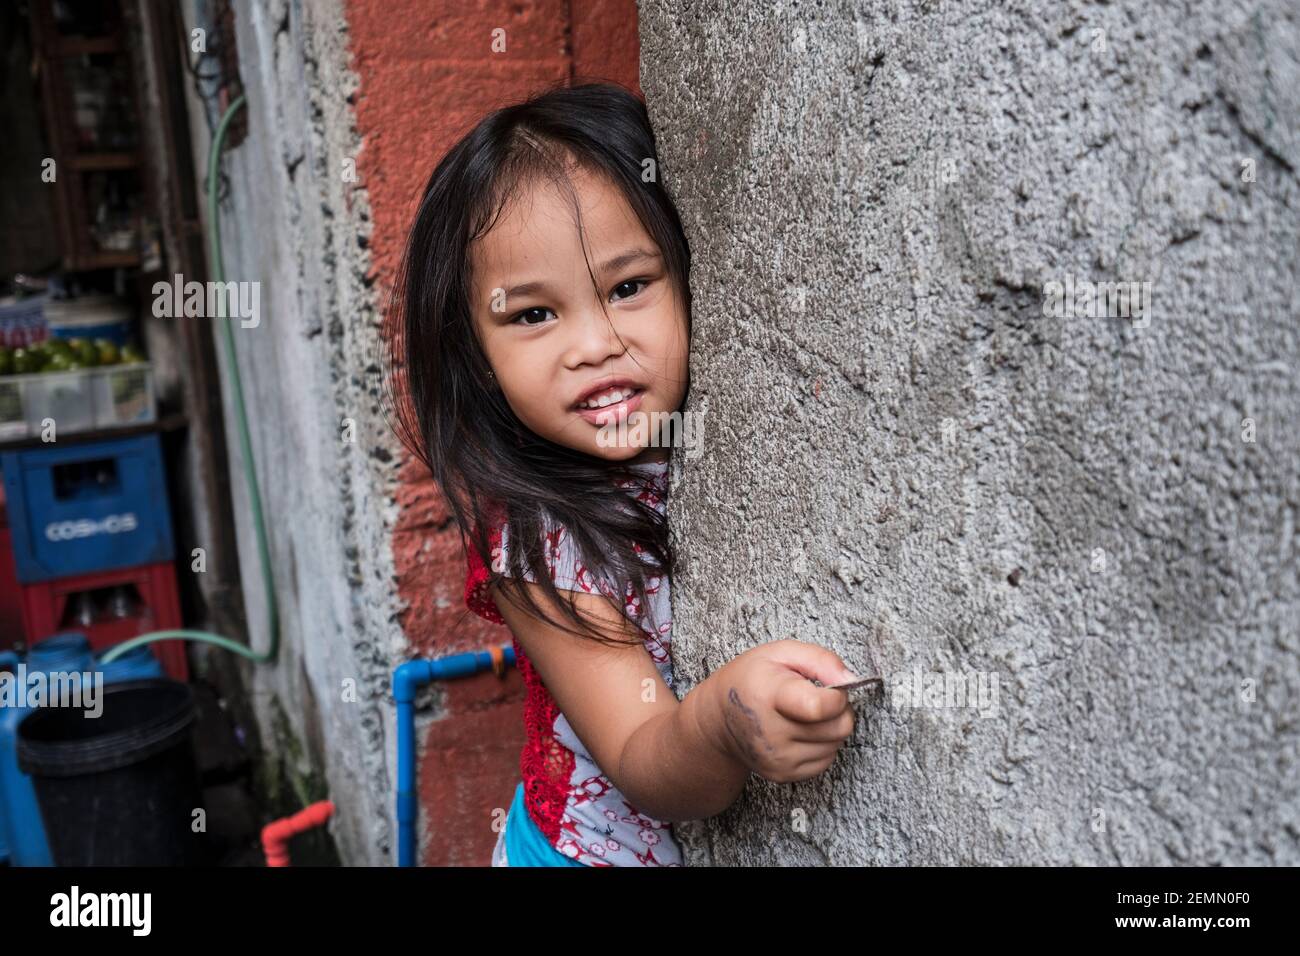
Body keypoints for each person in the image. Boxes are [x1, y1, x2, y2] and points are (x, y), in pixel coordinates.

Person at [385, 80, 861, 867]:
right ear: (474, 355)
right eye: (534, 314)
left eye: (628, 288)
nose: (596, 343)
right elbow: (646, 759)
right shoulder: (537, 544)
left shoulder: (696, 439)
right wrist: (723, 721)